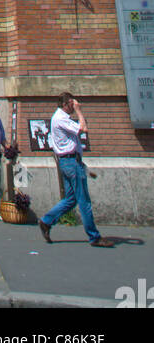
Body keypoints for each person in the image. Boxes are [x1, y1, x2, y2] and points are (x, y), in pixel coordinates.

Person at [39, 93, 113, 247]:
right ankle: (94, 236)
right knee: (84, 200)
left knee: (71, 199)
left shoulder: (59, 117)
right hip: (71, 163)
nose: (74, 107)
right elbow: (83, 128)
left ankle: (47, 221)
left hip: (69, 162)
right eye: (72, 105)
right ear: (67, 104)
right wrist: (79, 111)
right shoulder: (61, 118)